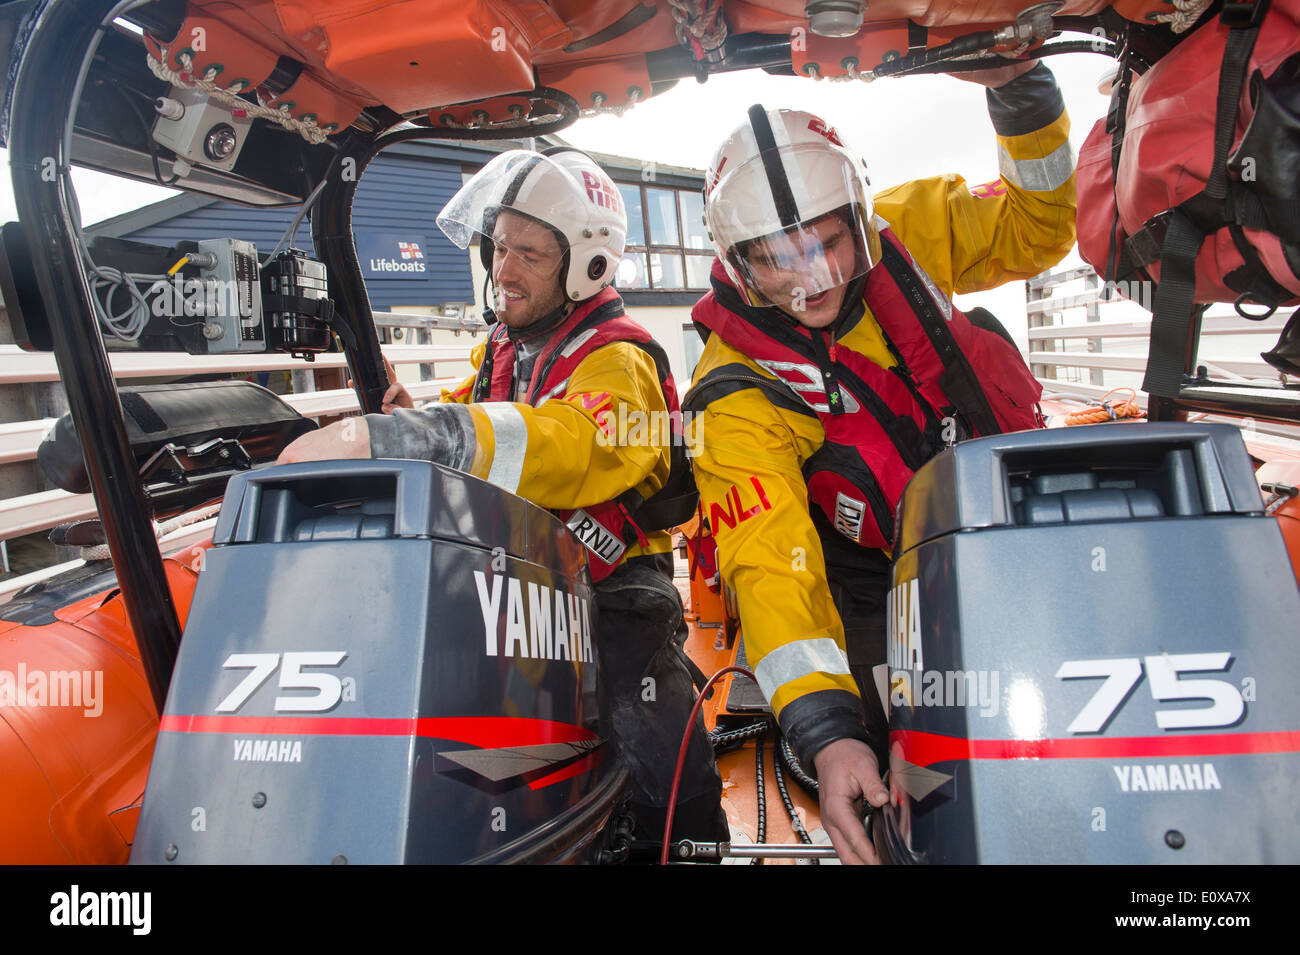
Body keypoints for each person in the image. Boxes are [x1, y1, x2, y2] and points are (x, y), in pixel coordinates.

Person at [683, 61, 1076, 864]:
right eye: (780, 260)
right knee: (912, 772)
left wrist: (1021, 89)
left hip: (1004, 532)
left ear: (859, 216)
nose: (815, 277)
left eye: (829, 243)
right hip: (867, 578)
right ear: (737, 263)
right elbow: (768, 560)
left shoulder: (916, 230)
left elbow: (1038, 224)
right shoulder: (732, 391)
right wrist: (829, 735)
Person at [279, 147, 726, 846]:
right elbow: (475, 410)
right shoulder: (507, 345)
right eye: (499, 248)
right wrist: (413, 413)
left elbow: (572, 441)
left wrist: (438, 437)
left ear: (588, 266)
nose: (504, 271)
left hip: (609, 588)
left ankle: (689, 836)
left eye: (530, 255)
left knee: (645, 712)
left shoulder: (622, 358)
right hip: (523, 578)